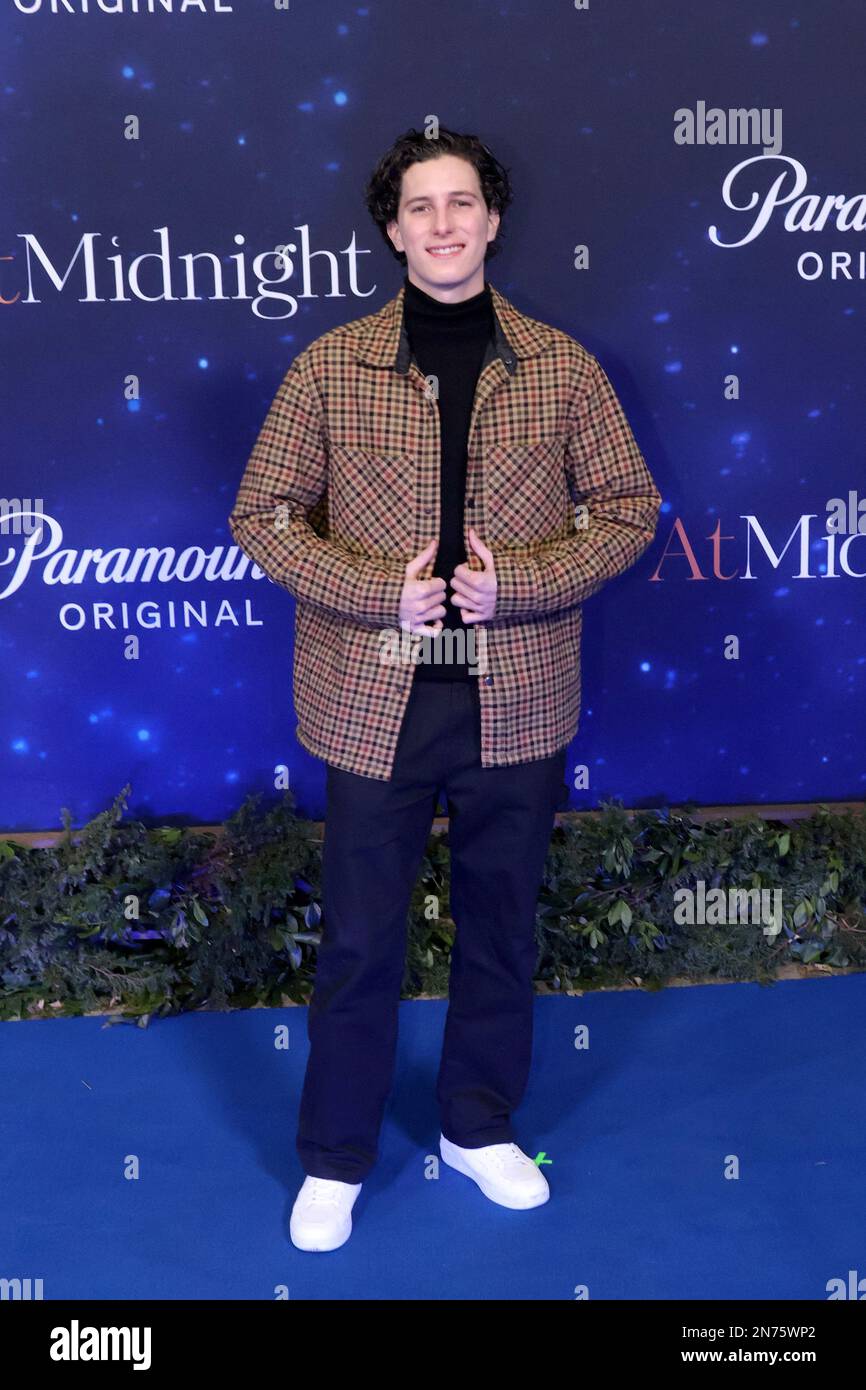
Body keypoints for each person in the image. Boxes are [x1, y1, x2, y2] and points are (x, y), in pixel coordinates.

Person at [228, 126, 662, 1252]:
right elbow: (260, 516)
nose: (442, 223)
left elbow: (626, 511)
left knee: (500, 927)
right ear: (390, 229)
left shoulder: (562, 365)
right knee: (362, 941)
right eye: (419, 206)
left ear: (492, 219)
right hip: (372, 695)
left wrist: (508, 581)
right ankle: (334, 1156)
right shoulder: (327, 365)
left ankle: (476, 1126)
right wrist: (385, 594)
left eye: (460, 201)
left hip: (515, 694)